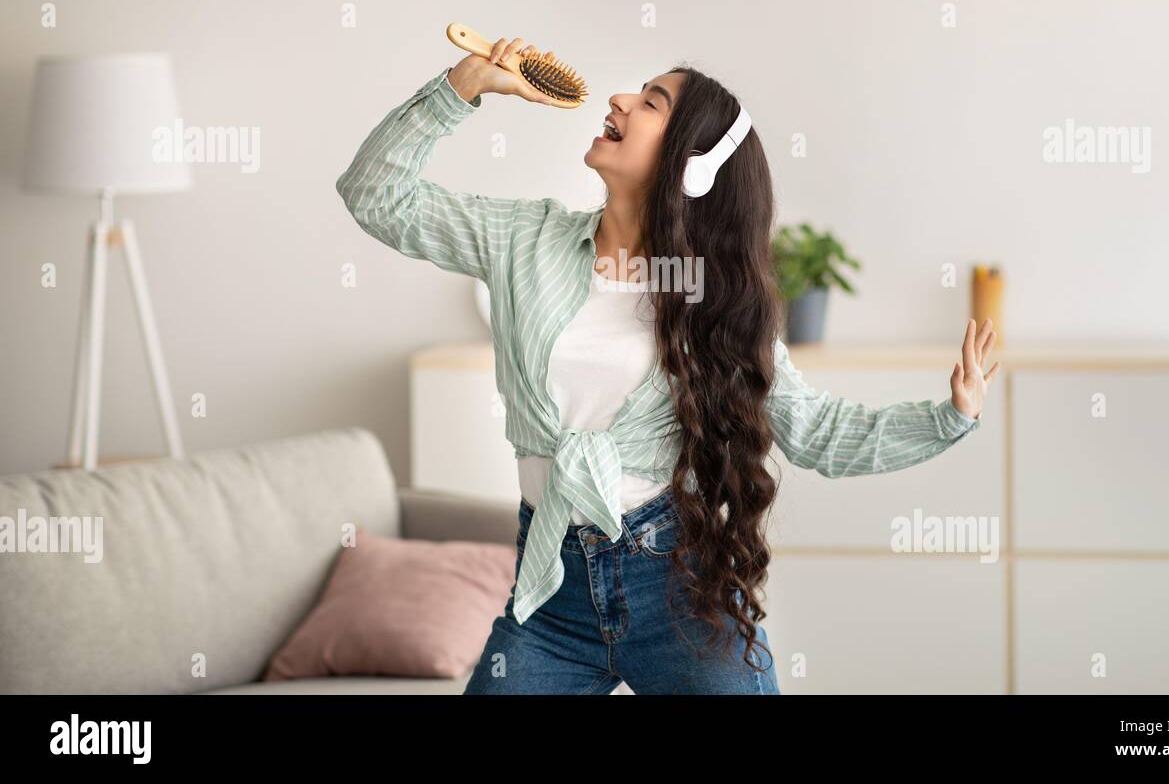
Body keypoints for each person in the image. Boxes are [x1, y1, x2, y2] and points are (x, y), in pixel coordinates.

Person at [335, 36, 1000, 694]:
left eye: (651, 101)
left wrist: (948, 417)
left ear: (693, 166)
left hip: (675, 595)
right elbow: (374, 194)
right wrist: (463, 87)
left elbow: (817, 433)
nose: (620, 99)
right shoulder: (522, 240)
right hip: (549, 600)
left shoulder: (719, 303)